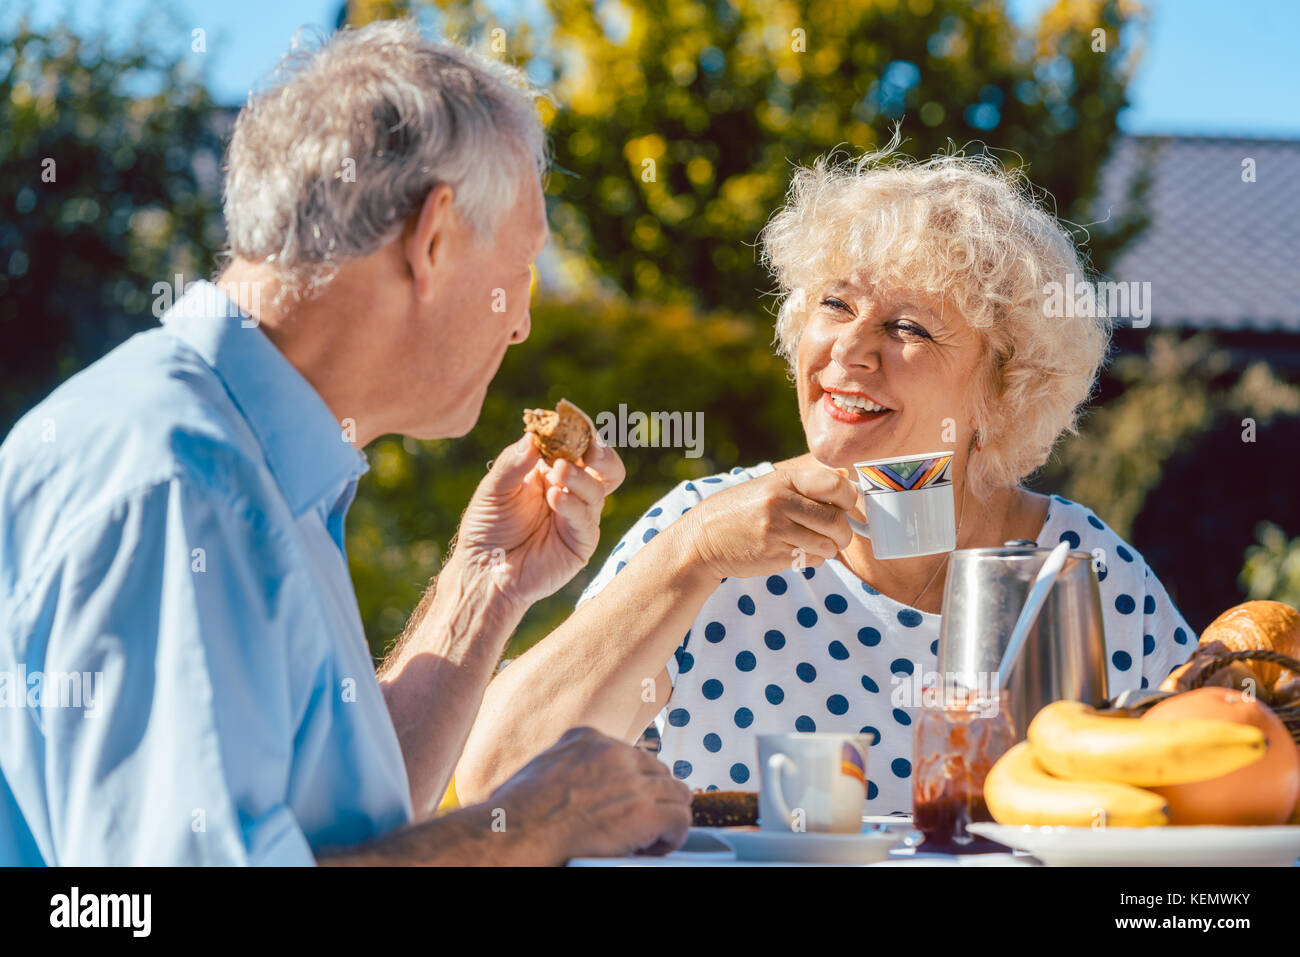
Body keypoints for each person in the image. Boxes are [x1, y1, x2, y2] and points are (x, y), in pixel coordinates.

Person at [0, 19, 690, 866]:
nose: (523, 324)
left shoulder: (252, 461)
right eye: (522, 268)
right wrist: (535, 824)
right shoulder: (177, 485)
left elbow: (344, 829)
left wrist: (484, 588)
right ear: (433, 239)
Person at [454, 143, 1198, 815]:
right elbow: (498, 782)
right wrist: (692, 556)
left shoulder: (1083, 580)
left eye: (909, 327)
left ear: (1002, 390)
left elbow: (1223, 797)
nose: (849, 347)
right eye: (835, 303)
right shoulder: (699, 531)